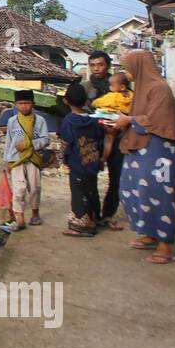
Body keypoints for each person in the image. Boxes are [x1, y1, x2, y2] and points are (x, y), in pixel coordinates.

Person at [113, 50, 175, 264]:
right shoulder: (141, 89)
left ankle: (164, 246)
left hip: (160, 152)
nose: (126, 72)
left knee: (158, 194)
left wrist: (129, 121)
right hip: (140, 148)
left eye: (128, 67)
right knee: (132, 191)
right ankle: (150, 234)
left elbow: (158, 119)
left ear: (139, 65)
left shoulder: (159, 88)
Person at [82, 50, 125, 230]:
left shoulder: (119, 85)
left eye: (100, 64)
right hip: (92, 138)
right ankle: (93, 214)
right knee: (89, 177)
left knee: (116, 178)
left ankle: (107, 215)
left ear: (108, 65)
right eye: (92, 65)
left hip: (117, 137)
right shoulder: (85, 87)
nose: (96, 68)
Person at [59, 83, 103, 237]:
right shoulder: (93, 120)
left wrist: (63, 160)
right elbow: (100, 139)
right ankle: (93, 219)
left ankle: (80, 225)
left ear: (66, 101)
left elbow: (65, 143)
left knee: (78, 193)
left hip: (77, 163)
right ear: (85, 101)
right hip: (92, 161)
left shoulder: (69, 121)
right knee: (91, 190)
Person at [3, 89, 50, 230]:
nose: (24, 106)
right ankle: (20, 220)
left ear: (33, 104)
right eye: (21, 103)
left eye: (27, 103)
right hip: (16, 159)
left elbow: (46, 140)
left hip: (33, 158)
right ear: (15, 104)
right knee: (19, 189)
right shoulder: (12, 121)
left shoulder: (39, 121)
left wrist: (29, 144)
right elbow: (8, 141)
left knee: (35, 188)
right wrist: (7, 161)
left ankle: (35, 214)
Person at [92, 71, 135, 162]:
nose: (110, 87)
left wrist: (93, 103)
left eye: (112, 85)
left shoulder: (113, 96)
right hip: (123, 119)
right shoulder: (131, 95)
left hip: (111, 119)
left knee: (109, 138)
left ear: (122, 87)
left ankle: (104, 157)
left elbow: (98, 102)